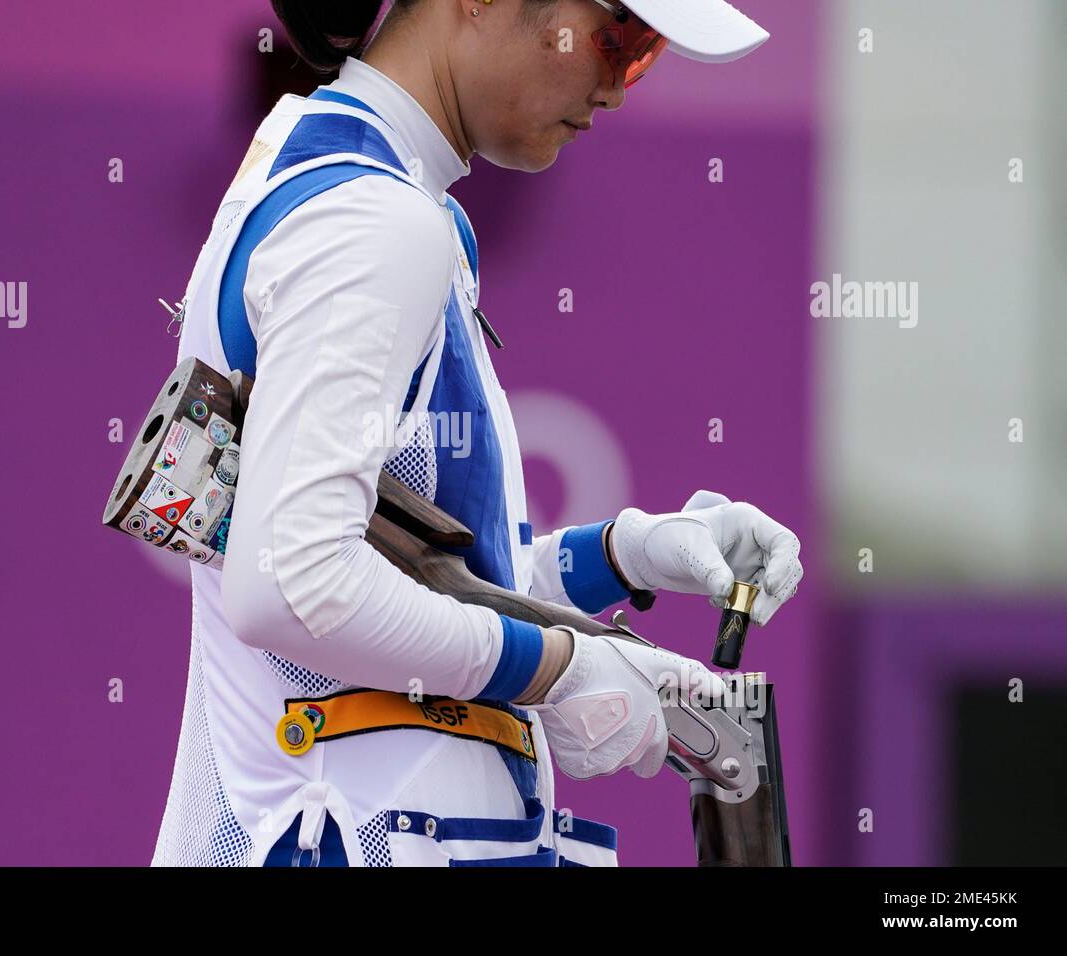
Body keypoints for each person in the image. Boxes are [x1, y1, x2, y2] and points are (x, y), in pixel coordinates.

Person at [153, 0, 801, 867]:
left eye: (643, 55)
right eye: (618, 36)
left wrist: (626, 554)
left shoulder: (368, 191)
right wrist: (563, 669)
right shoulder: (375, 221)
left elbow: (419, 580)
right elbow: (293, 585)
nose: (614, 86)